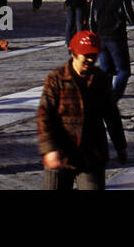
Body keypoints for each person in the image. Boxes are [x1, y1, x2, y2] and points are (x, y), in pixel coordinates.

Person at [37, 30, 127, 190]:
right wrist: (49, 149)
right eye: (86, 55)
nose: (90, 60)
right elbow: (44, 116)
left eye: (94, 55)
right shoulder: (56, 79)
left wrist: (120, 146)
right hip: (61, 152)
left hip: (91, 155)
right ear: (74, 54)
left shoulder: (100, 79)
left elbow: (111, 114)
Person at [91, 0, 134, 102]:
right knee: (123, 71)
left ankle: (104, 101)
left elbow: (91, 19)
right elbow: (131, 19)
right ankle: (112, 100)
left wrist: (96, 35)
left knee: (106, 72)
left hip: (101, 36)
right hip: (116, 37)